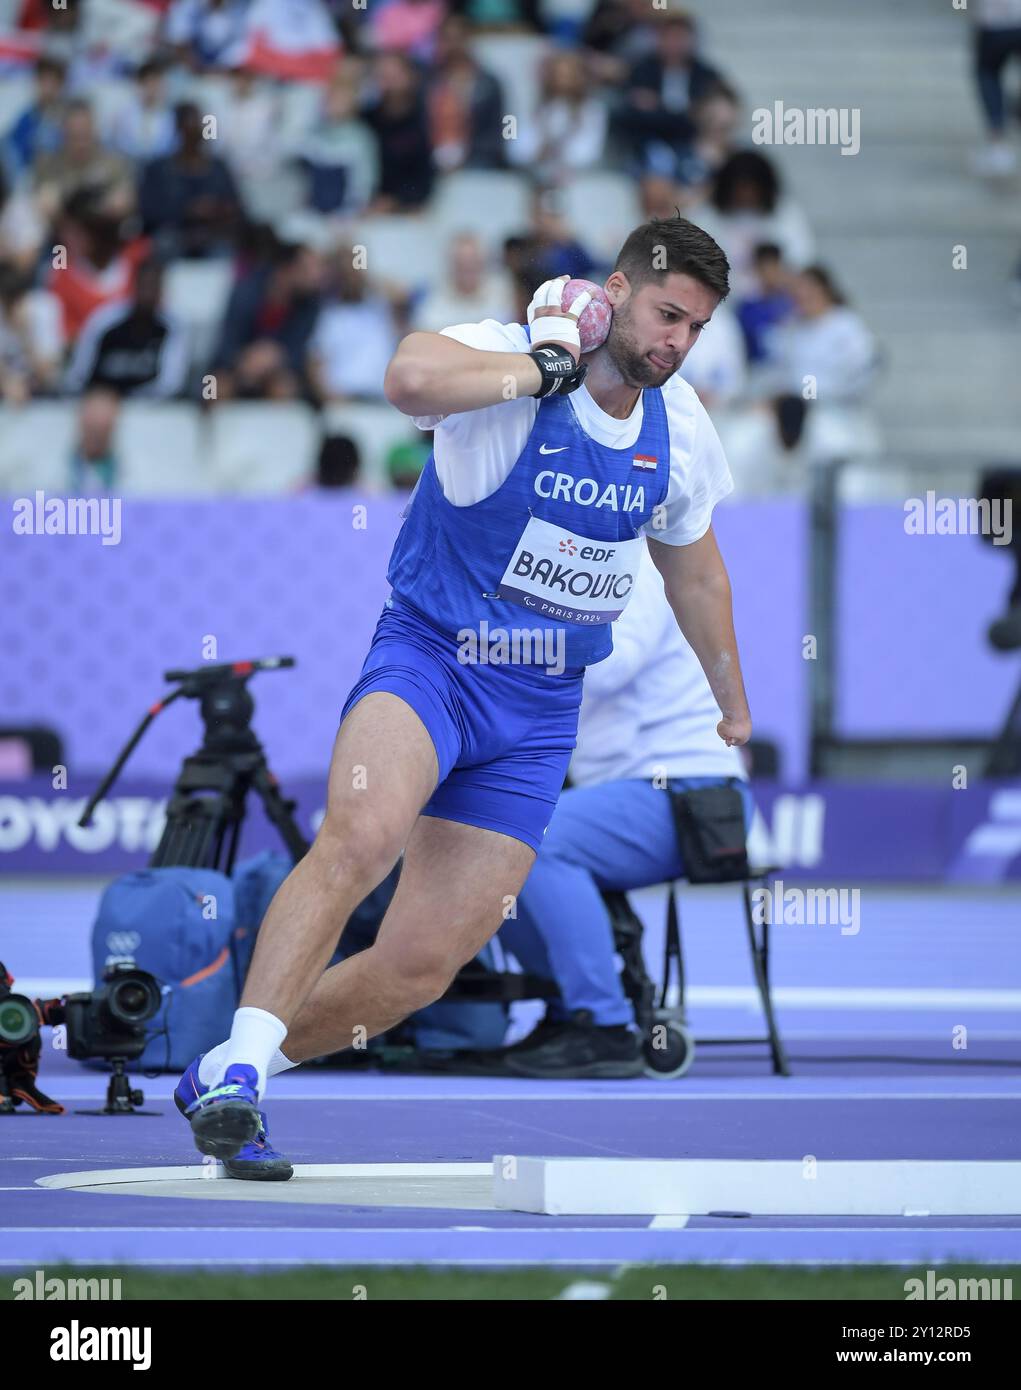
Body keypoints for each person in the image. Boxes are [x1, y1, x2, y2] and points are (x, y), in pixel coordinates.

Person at [177, 213, 752, 1176]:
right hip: (432, 660)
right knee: (360, 836)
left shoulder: (679, 425)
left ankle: (234, 1067)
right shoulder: (508, 353)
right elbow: (406, 378)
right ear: (612, 293)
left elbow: (695, 573)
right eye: (664, 315)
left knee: (417, 967)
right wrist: (542, 369)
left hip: (535, 714)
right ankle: (241, 1078)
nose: (674, 343)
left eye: (694, 328)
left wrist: (732, 702)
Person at [496, 546, 752, 1077]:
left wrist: (511, 645)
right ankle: (569, 1006)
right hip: (644, 790)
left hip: (690, 793)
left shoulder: (634, 564)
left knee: (533, 839)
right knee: (485, 844)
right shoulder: (571, 573)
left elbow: (612, 665)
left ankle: (603, 1024)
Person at [64, 254, 189, 492]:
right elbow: (78, 373)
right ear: (134, 286)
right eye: (144, 285)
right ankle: (84, 477)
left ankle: (108, 483)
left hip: (139, 401)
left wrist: (123, 398)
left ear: (162, 290)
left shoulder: (172, 327)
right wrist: (93, 396)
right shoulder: (106, 322)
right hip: (96, 398)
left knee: (104, 412)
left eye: (155, 286)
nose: (149, 293)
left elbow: (171, 383)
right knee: (97, 413)